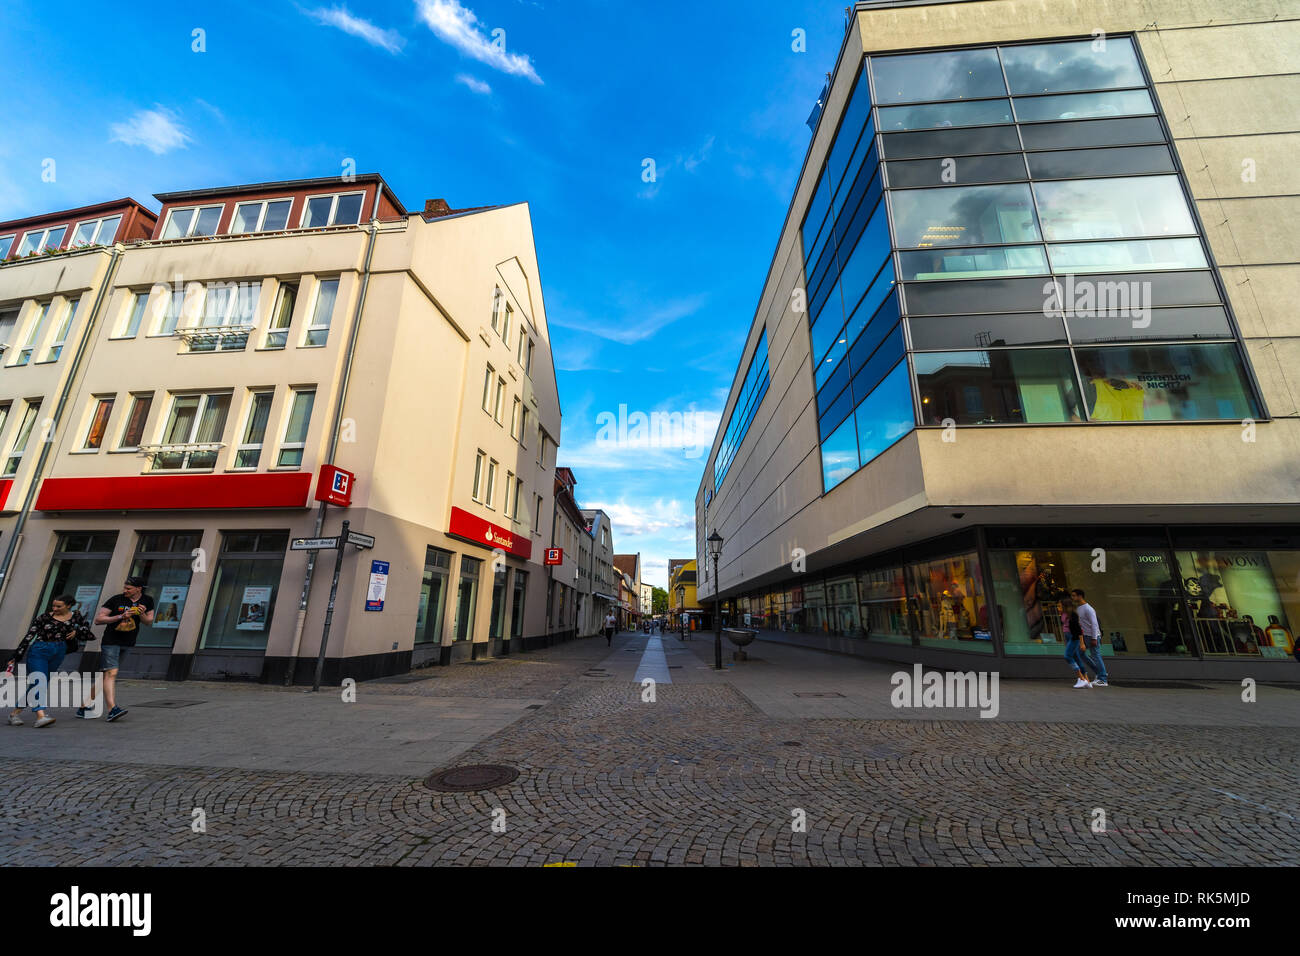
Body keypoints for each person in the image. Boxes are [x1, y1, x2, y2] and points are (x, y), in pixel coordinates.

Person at [7, 595, 91, 728]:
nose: (55, 608)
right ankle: (40, 716)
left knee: (39, 684)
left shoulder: (76, 616)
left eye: (59, 606)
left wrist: (76, 631)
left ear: (68, 606)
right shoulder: (44, 617)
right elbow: (29, 635)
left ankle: (14, 714)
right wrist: (16, 656)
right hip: (39, 650)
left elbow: (87, 631)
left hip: (59, 651)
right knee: (39, 681)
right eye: (53, 606)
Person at [82, 576, 155, 722]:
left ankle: (84, 706)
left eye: (128, 588)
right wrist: (121, 616)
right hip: (111, 641)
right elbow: (99, 619)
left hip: (128, 642)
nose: (125, 590)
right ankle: (112, 709)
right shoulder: (116, 599)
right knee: (111, 673)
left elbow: (148, 622)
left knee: (107, 675)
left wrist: (141, 613)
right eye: (125, 588)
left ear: (138, 589)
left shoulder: (147, 600)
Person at [1071, 588, 1108, 687]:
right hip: (1085, 636)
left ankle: (1103, 679)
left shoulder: (1088, 608)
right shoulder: (1079, 608)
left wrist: (1094, 638)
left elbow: (1094, 624)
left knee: (1096, 655)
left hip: (1092, 636)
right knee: (1080, 654)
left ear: (1080, 596)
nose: (1073, 597)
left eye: (1074, 595)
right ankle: (1099, 673)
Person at [1059, 597, 1094, 689]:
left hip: (1074, 637)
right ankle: (1087, 680)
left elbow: (1079, 630)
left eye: (1060, 605)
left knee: (1067, 656)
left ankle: (1081, 678)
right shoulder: (1063, 614)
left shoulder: (1073, 615)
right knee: (1077, 658)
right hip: (1068, 637)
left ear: (1065, 606)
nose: (1058, 607)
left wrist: (1082, 643)